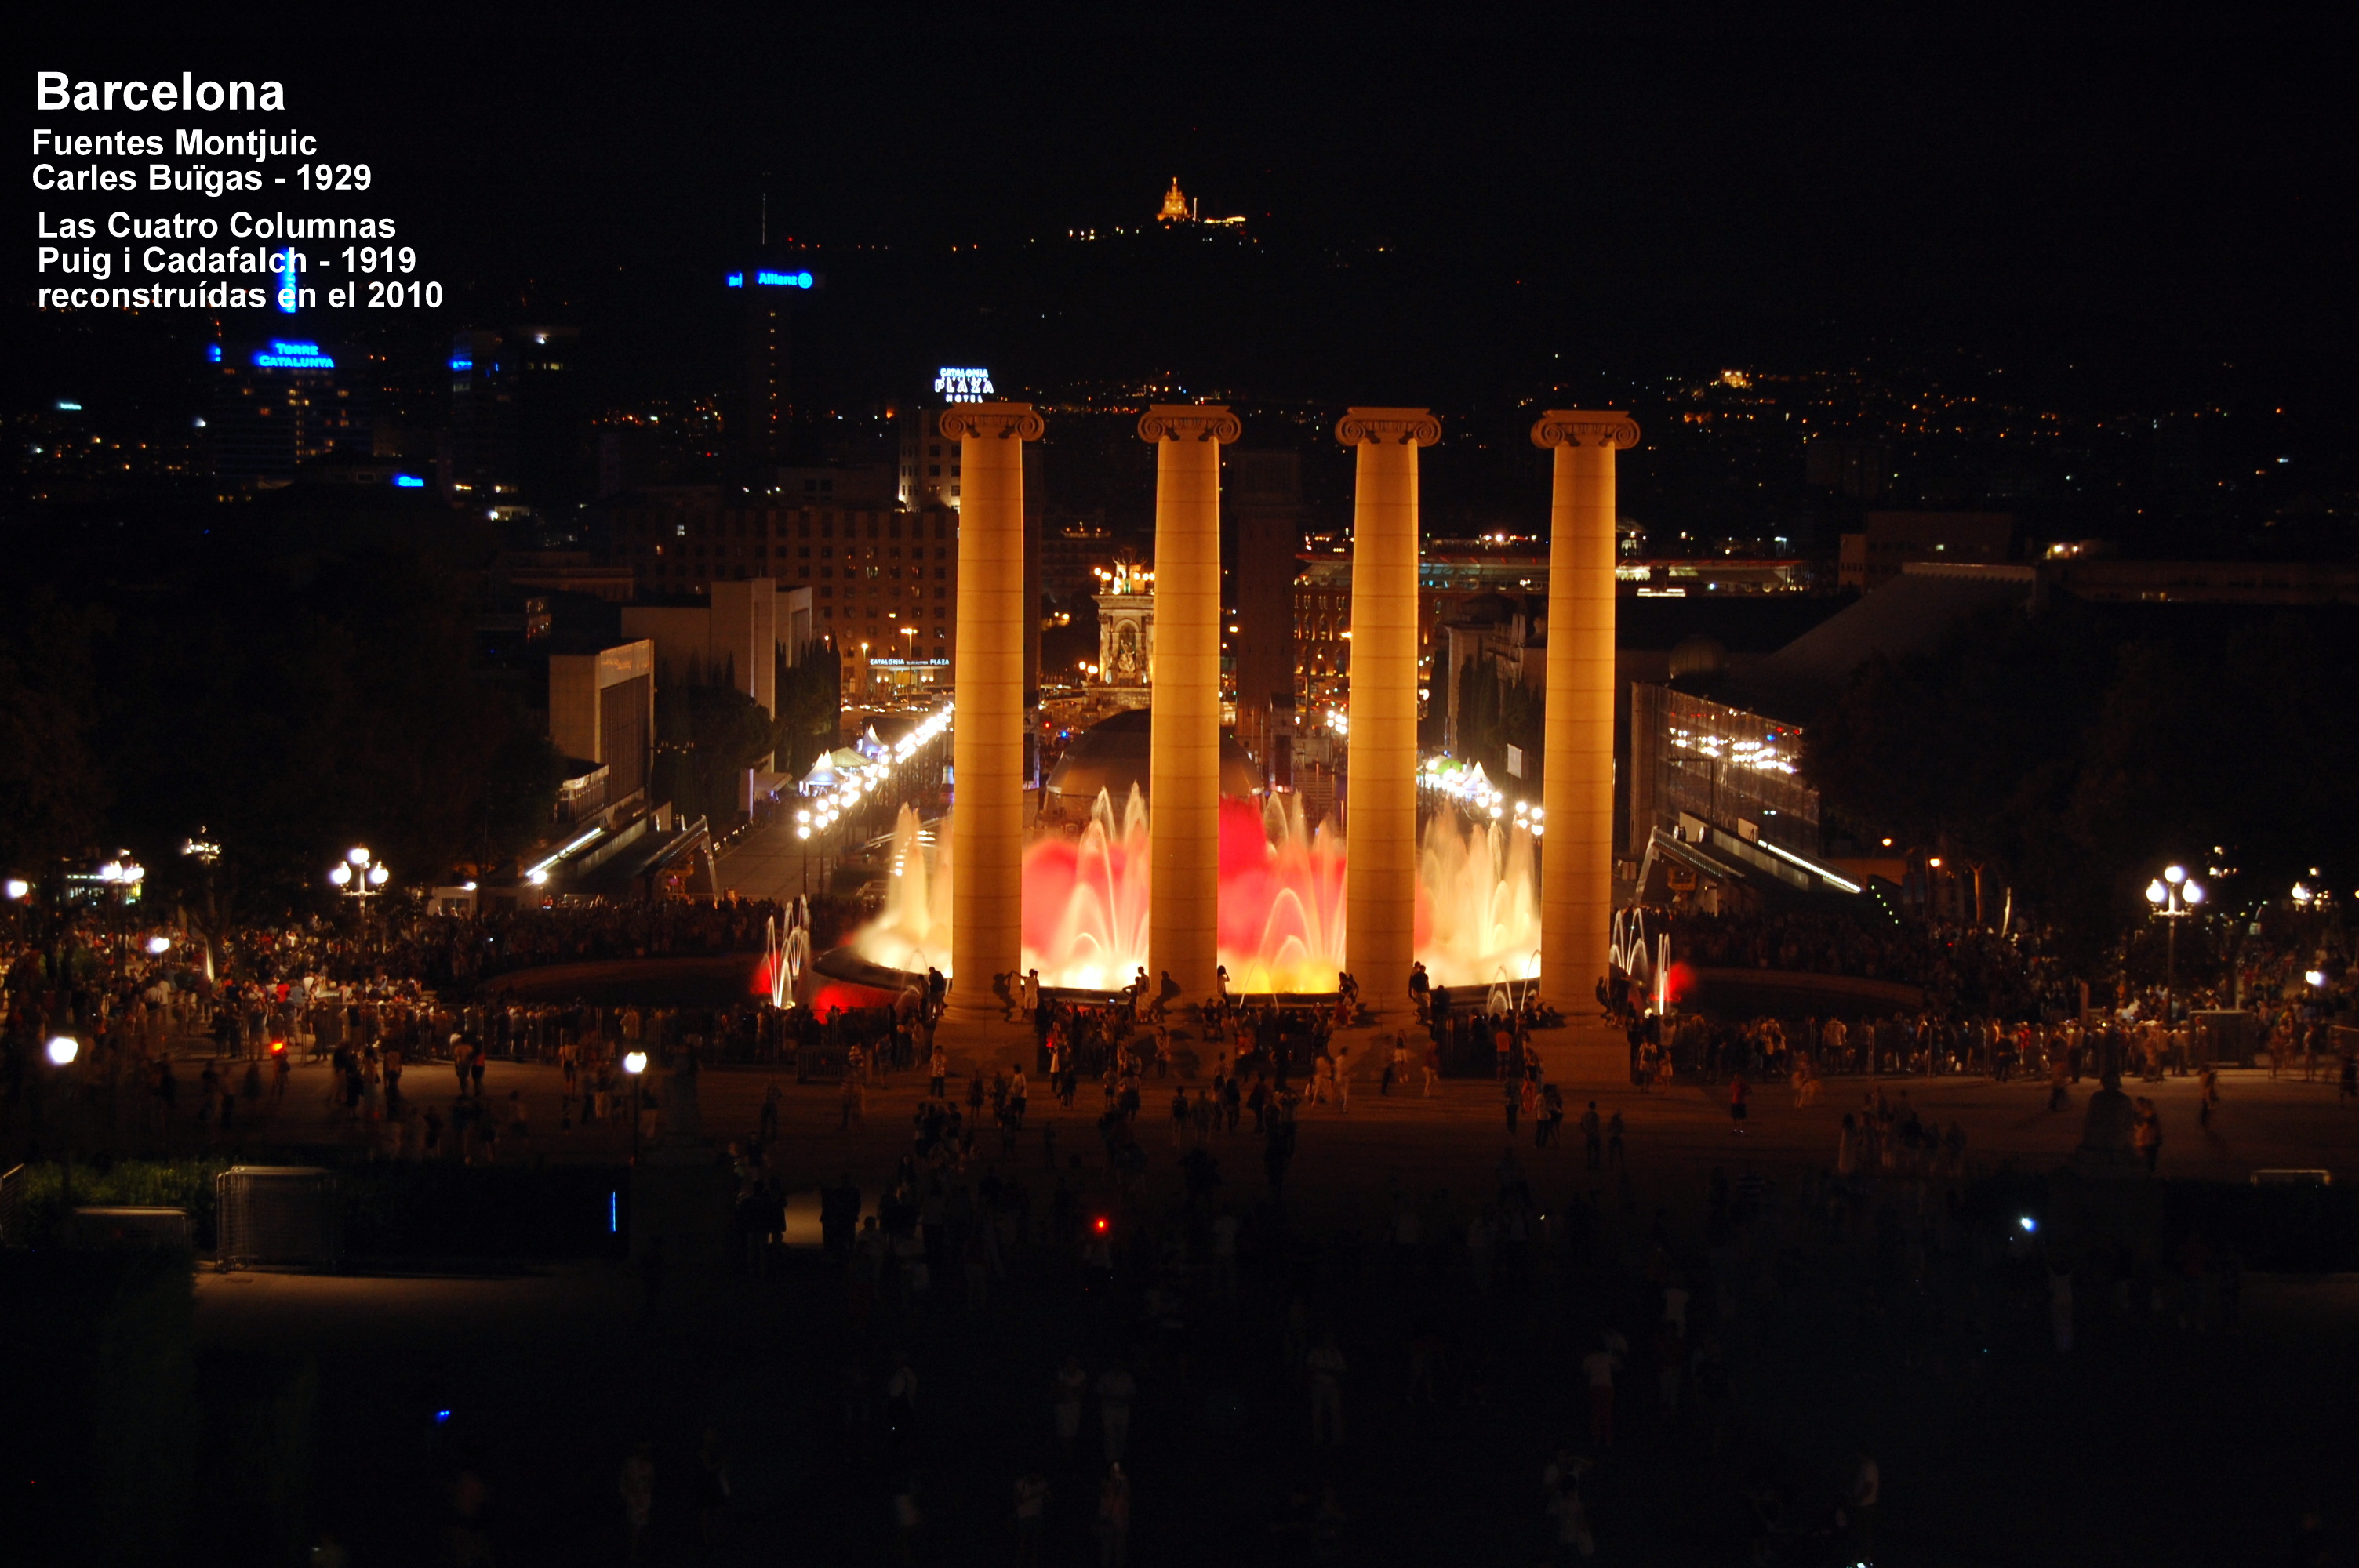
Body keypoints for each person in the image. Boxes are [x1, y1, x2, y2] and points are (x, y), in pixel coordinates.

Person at [1307, 1327, 1347, 1446]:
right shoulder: (1315, 1352)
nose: (1328, 1340)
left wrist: (1324, 1371)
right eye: (1326, 1338)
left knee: (1335, 1414)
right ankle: (1318, 1439)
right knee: (1317, 1414)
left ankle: (1337, 1440)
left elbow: (1342, 1371)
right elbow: (1309, 1369)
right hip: (1318, 1386)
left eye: (1330, 1338)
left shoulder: (1336, 1353)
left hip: (1332, 1387)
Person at [619, 1440, 655, 1563]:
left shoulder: (648, 1464)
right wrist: (626, 1492)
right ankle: (632, 1553)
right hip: (634, 1496)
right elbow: (626, 1479)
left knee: (641, 1525)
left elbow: (651, 1481)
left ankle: (638, 1552)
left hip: (644, 1496)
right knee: (635, 1526)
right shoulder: (631, 1463)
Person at [1096, 1360, 1136, 1463]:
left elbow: (1132, 1393)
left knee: (1122, 1435)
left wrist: (1123, 1398)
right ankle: (1110, 1461)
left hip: (1123, 1409)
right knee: (1110, 1436)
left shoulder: (1127, 1377)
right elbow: (1099, 1392)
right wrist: (1110, 1397)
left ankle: (1120, 1460)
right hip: (1109, 1409)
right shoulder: (1105, 1377)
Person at [1054, 1353, 1089, 1461]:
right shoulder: (1062, 1373)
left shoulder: (1081, 1374)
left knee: (1073, 1431)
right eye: (1070, 1360)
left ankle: (1071, 1455)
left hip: (1074, 1406)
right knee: (1063, 1431)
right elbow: (1060, 1389)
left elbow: (1083, 1391)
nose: (1072, 1363)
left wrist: (1070, 1389)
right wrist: (1072, 1389)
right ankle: (1066, 1455)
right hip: (1062, 1406)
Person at [1096, 1464, 1131, 1568]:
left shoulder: (1124, 1486)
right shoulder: (1107, 1486)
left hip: (1120, 1525)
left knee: (1120, 1555)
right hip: (1109, 1525)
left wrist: (1123, 1480)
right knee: (1106, 1555)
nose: (1116, 1472)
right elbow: (1103, 1502)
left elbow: (1127, 1495)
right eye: (1114, 1470)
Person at [1850, 1449, 1880, 1563]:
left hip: (1865, 1505)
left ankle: (1864, 1558)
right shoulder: (1866, 1466)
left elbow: (1868, 1487)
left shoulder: (1869, 1466)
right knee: (1862, 1532)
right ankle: (1861, 1557)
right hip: (1864, 1504)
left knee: (1864, 1532)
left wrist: (1857, 1500)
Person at [1014, 1472, 1050, 1566]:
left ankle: (1033, 1563)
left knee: (1036, 1544)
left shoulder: (1043, 1483)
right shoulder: (1021, 1483)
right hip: (1024, 1517)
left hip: (1037, 1516)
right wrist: (1033, 1496)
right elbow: (1017, 1501)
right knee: (1023, 1543)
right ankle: (1020, 1564)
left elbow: (1047, 1500)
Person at [1581, 1102, 1602, 1170]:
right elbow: (1597, 1125)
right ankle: (1596, 1165)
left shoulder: (1584, 1114)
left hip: (1587, 1135)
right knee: (1597, 1150)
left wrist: (1585, 1132)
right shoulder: (1596, 1115)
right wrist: (1592, 1131)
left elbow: (1581, 1124)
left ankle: (1589, 1164)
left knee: (1589, 1150)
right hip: (1594, 1135)